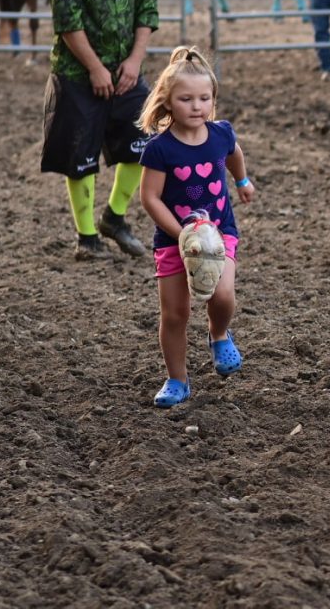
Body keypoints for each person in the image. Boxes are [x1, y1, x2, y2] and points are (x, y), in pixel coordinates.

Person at [41, 0, 159, 262]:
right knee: (81, 155)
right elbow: (68, 20)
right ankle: (86, 236)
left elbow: (146, 10)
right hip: (77, 73)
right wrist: (94, 67)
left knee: (142, 145)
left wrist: (133, 61)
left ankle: (114, 216)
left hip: (126, 69)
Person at [136, 47, 256, 409]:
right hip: (174, 240)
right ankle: (177, 379)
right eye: (186, 98)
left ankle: (219, 334)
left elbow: (234, 152)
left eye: (204, 98)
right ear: (168, 101)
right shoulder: (160, 149)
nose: (196, 106)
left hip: (220, 232)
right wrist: (182, 235)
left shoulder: (220, 134)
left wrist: (243, 180)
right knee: (175, 313)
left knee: (222, 295)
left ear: (213, 99)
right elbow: (150, 198)